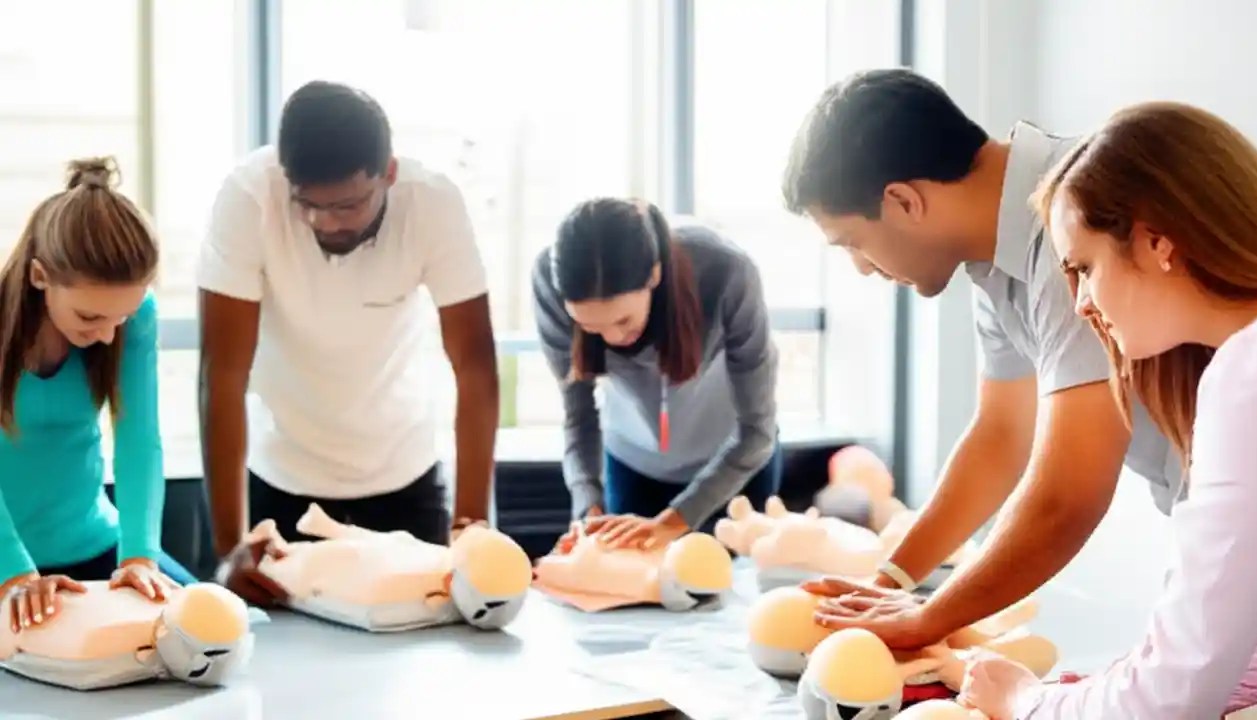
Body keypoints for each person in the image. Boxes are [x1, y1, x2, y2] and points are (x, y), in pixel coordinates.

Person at [781, 68, 1181, 648]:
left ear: (902, 200)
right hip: (1222, 517)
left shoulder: (1072, 221)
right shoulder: (990, 255)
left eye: (851, 244)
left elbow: (1068, 495)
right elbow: (1001, 435)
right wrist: (891, 580)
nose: (862, 269)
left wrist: (928, 616)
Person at [958, 102, 1257, 719]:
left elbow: (1172, 697)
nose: (1079, 304)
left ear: (1157, 241)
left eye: (1083, 268)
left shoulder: (1253, 376)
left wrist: (1028, 701)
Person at [198, 81, 499, 606]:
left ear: (389, 174)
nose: (324, 221)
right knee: (292, 673)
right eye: (307, 203)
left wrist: (469, 527)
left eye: (347, 205)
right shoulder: (248, 197)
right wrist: (231, 547)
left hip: (404, 477)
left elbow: (474, 367)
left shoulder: (433, 204)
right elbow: (221, 376)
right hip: (282, 483)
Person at [0, 157, 197, 633]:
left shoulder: (136, 318)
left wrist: (139, 557)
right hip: (7, 560)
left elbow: (139, 441)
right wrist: (13, 574)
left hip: (94, 543)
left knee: (214, 631)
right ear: (40, 277)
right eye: (90, 318)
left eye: (121, 318)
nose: (109, 336)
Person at [533, 198, 780, 551]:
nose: (613, 339)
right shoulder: (549, 282)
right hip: (632, 464)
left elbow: (757, 431)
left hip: (735, 464)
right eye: (590, 327)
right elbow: (579, 416)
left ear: (654, 274)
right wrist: (587, 506)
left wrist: (677, 519)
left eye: (623, 321)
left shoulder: (727, 271)